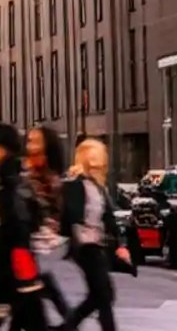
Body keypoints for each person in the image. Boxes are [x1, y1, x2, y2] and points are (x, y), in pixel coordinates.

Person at [0, 123, 45, 331]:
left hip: (13, 272)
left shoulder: (11, 186)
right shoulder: (7, 182)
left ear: (1, 148)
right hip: (12, 273)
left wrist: (22, 277)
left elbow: (17, 232)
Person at [61, 138, 128, 331]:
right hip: (83, 246)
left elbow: (109, 217)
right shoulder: (74, 185)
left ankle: (68, 325)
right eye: (93, 157)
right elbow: (70, 215)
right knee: (104, 294)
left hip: (96, 245)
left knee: (99, 294)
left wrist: (121, 245)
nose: (98, 161)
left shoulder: (99, 187)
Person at [24, 125, 70, 324]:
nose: (29, 145)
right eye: (29, 140)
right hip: (32, 243)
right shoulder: (29, 170)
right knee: (42, 289)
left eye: (35, 141)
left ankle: (69, 322)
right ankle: (69, 322)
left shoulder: (50, 177)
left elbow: (53, 211)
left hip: (40, 242)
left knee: (34, 290)